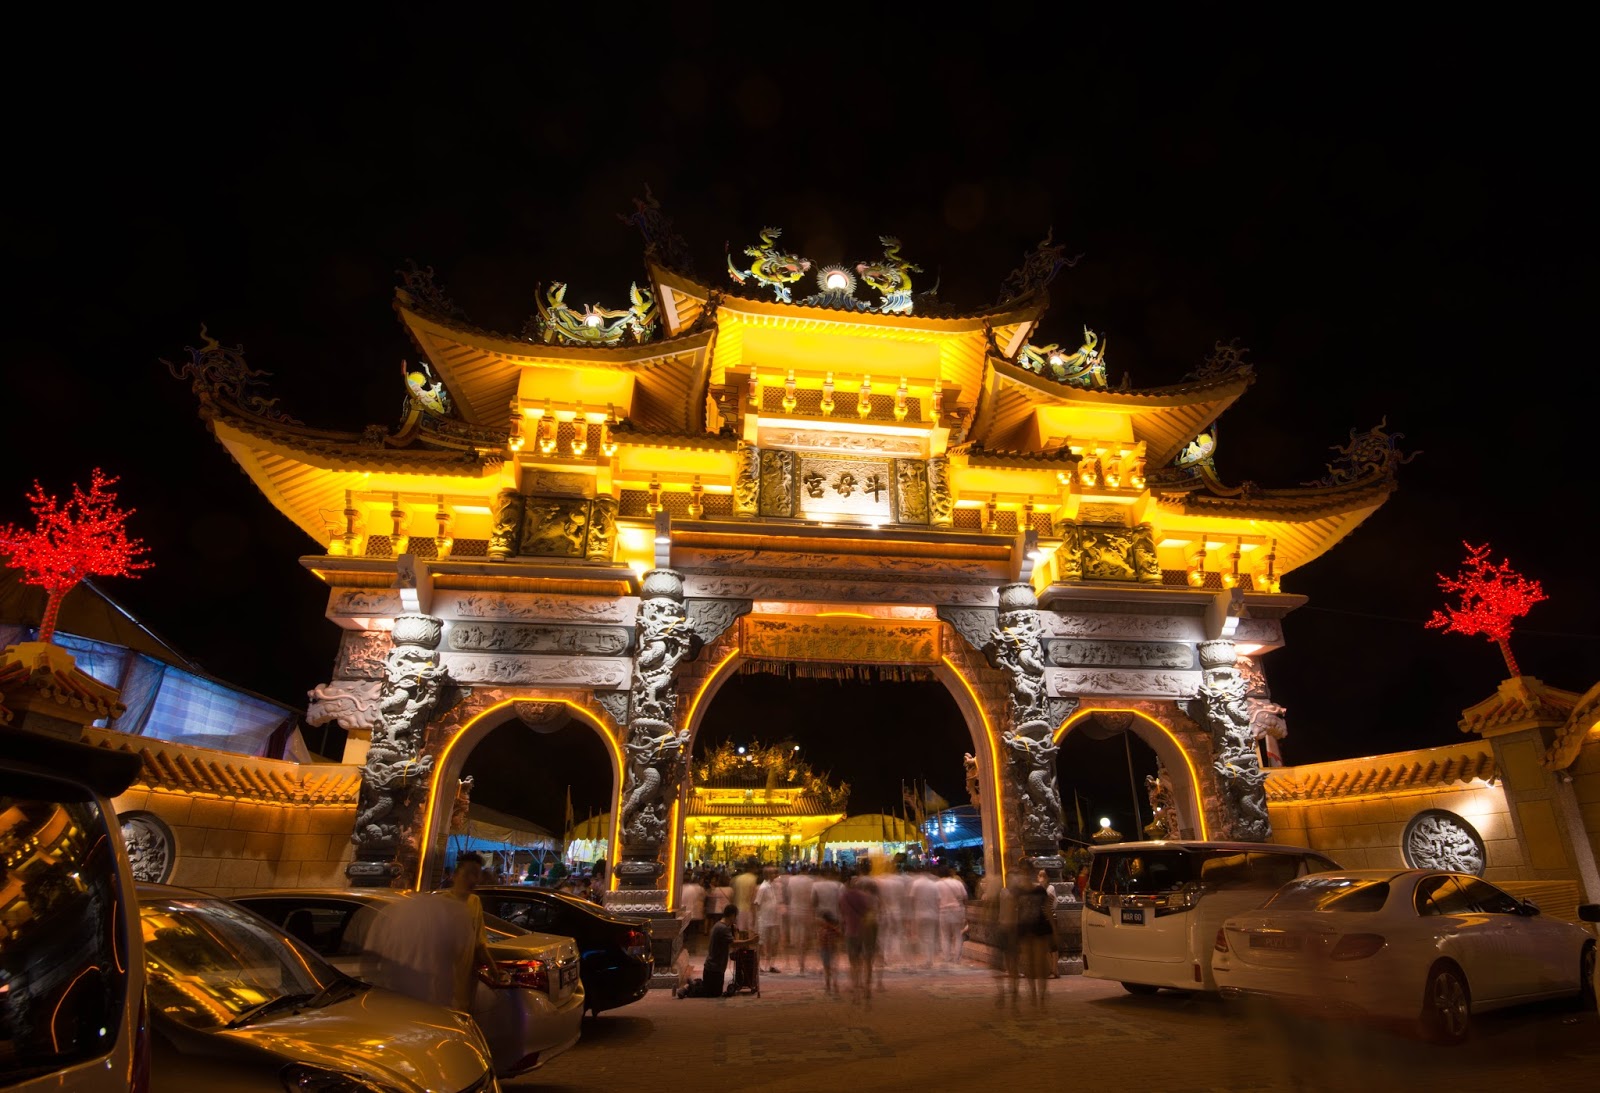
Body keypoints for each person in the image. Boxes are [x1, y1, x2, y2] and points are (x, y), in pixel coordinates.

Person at [754, 866, 785, 973]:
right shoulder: (763, 887)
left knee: (774, 942)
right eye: (773, 873)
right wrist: (758, 919)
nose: (775, 875)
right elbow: (757, 903)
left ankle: (771, 964)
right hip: (764, 919)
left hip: (775, 919)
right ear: (767, 875)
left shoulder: (775, 886)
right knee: (762, 942)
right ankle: (758, 965)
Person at [815, 910, 842, 997]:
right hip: (827, 950)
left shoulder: (828, 930)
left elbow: (840, 935)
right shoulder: (825, 930)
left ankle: (832, 986)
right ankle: (830, 986)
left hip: (829, 950)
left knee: (830, 969)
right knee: (829, 969)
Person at [680, 870, 706, 955]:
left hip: (683, 914)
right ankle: (691, 949)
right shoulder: (698, 888)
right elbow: (704, 898)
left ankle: (682, 948)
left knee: (683, 933)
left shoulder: (679, 889)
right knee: (693, 934)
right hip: (695, 914)